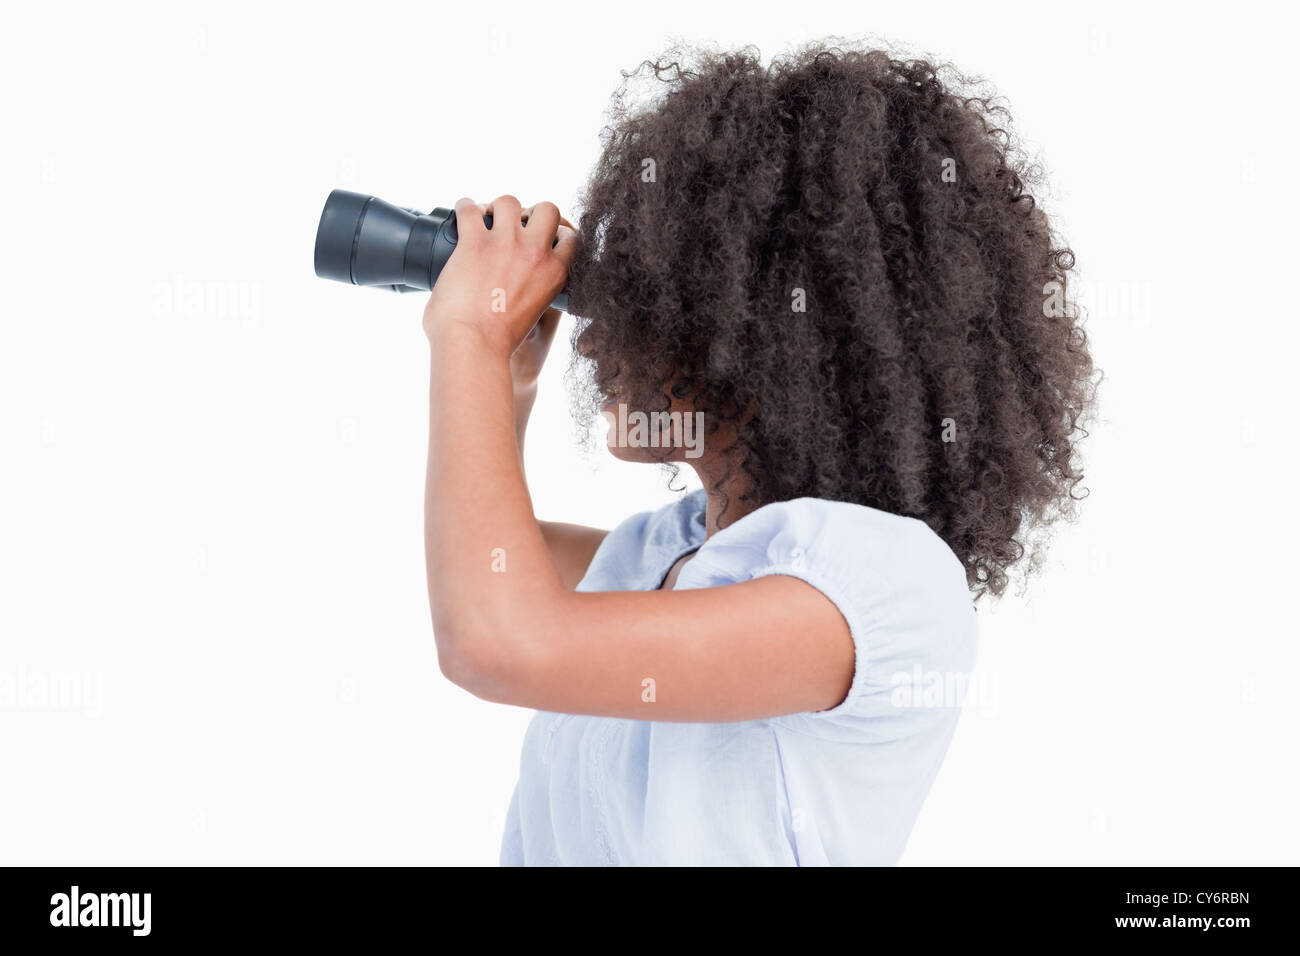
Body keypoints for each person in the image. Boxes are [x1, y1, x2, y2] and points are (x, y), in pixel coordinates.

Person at [420, 42, 1096, 865]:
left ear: (757, 334)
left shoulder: (880, 587)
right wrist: (508, 385)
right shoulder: (656, 553)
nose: (596, 345)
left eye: (641, 304)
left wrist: (469, 336)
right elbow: (481, 563)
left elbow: (497, 640)